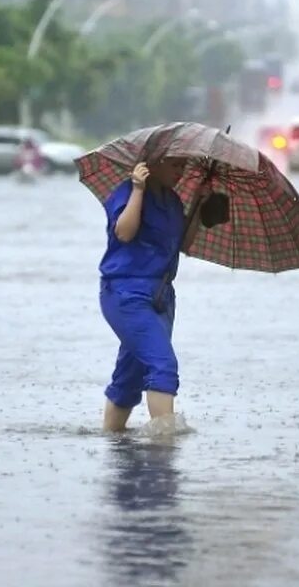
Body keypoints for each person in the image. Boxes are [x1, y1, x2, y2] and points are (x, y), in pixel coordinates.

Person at [98, 158, 210, 432]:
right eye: (174, 165)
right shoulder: (127, 191)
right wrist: (138, 189)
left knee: (131, 375)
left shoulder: (172, 201)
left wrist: (199, 206)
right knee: (163, 364)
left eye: (183, 167)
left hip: (161, 296)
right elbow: (124, 233)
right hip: (126, 294)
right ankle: (164, 446)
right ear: (154, 163)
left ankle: (112, 438)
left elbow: (181, 243)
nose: (180, 172)